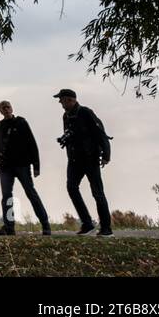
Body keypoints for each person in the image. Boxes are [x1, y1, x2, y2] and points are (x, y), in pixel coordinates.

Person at [54, 89, 113, 236]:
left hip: (90, 158)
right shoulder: (66, 116)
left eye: (61, 100)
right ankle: (87, 223)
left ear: (70, 100)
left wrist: (106, 154)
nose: (60, 103)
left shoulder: (86, 112)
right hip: (74, 159)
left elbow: (100, 133)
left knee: (97, 192)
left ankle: (106, 228)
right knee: (71, 187)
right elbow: (71, 134)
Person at [0, 100, 51, 235]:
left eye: (8, 107)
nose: (6, 110)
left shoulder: (21, 123)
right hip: (5, 167)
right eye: (3, 108)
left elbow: (31, 143)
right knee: (6, 197)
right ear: (0, 111)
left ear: (12, 108)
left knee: (31, 193)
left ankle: (45, 224)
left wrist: (36, 166)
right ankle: (9, 227)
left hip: (22, 165)